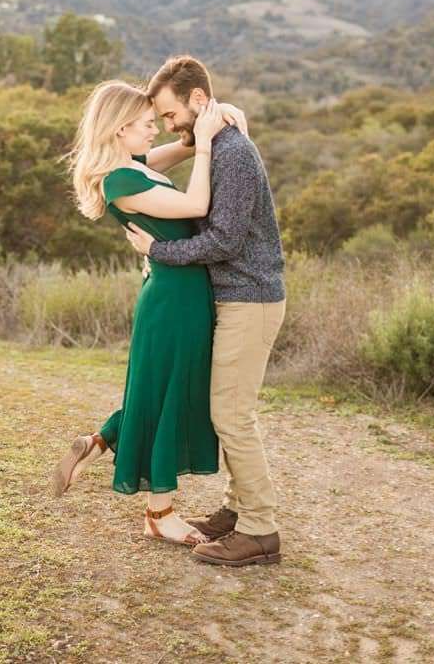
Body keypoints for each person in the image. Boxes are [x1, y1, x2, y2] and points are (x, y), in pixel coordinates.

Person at [50, 79, 241, 547]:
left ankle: (100, 441)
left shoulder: (136, 165)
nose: (154, 130)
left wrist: (211, 118)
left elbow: (180, 145)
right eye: (145, 124)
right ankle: (160, 511)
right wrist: (206, 151)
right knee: (170, 392)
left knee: (162, 387)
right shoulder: (121, 182)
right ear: (119, 130)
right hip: (173, 300)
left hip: (181, 292)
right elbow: (197, 203)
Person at [125, 54, 287, 567]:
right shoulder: (215, 144)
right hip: (232, 298)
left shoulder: (234, 153)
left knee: (232, 417)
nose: (168, 127)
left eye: (171, 116)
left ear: (198, 100)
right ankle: (238, 512)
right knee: (231, 413)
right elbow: (137, 168)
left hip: (250, 298)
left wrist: (156, 251)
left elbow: (222, 239)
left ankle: (260, 531)